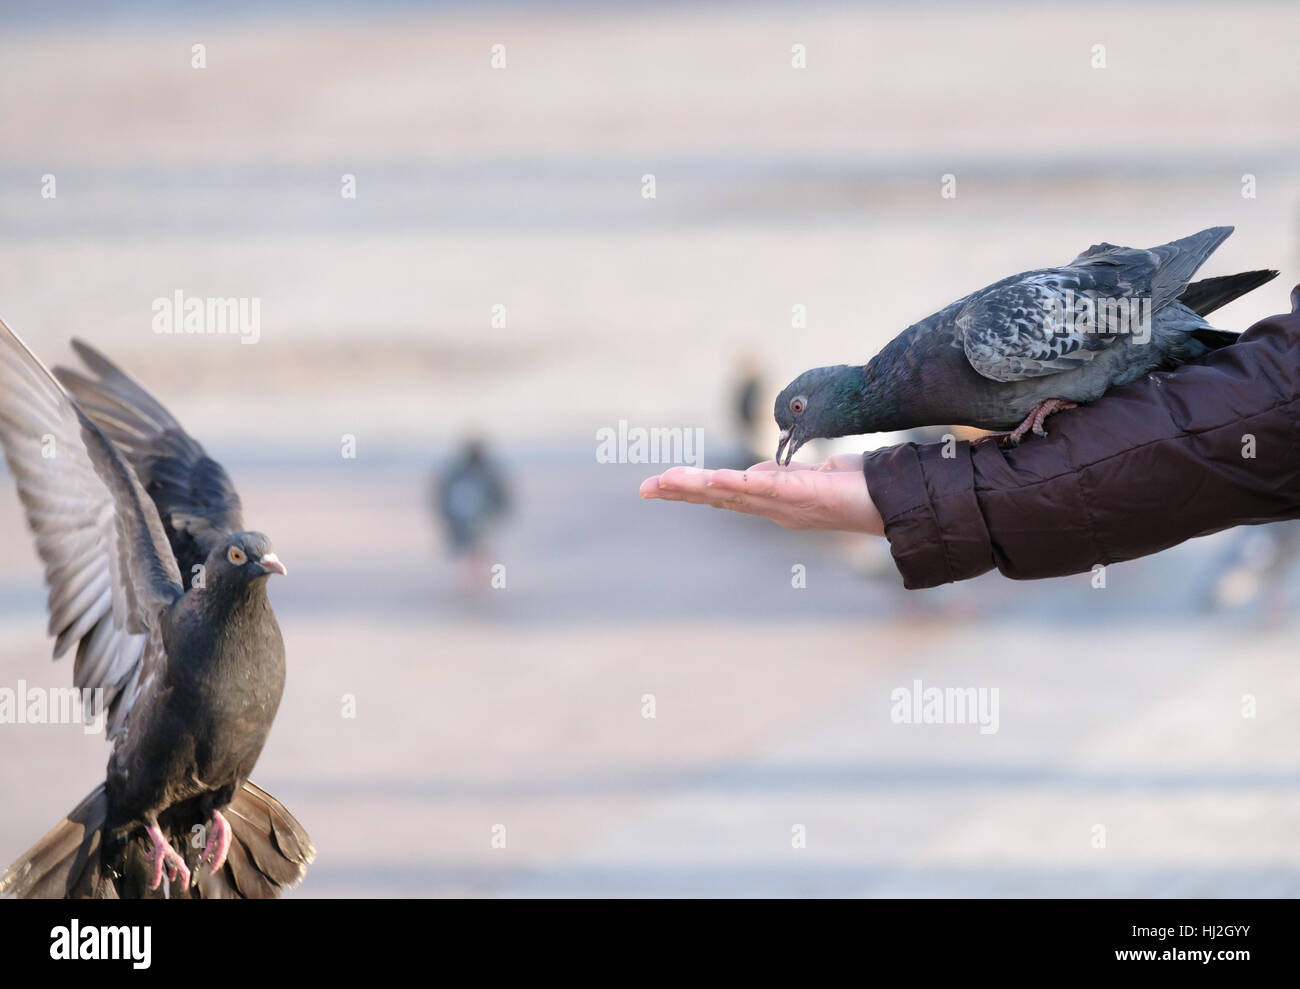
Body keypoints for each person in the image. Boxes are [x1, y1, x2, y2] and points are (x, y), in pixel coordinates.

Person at [641, 286, 1300, 589]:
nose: (791, 435)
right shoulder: (911, 376)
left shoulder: (974, 345)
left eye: (797, 414)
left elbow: (1261, 412)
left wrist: (935, 495)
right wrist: (930, 495)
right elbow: (1264, 414)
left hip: (1136, 317)